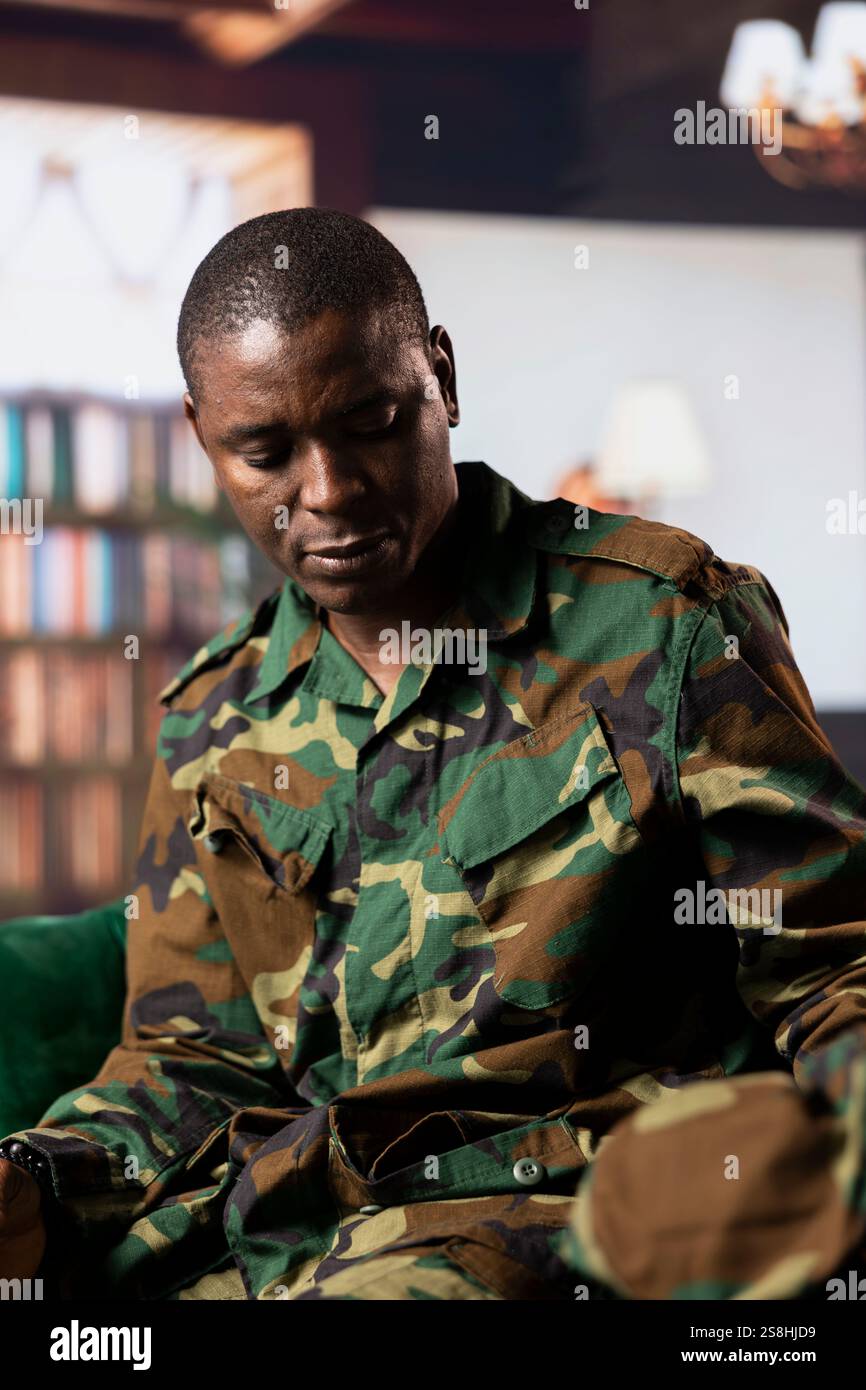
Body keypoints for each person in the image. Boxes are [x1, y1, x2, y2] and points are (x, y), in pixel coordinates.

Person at [1, 207, 865, 1302]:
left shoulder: (667, 622)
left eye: (370, 421)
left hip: (567, 1202)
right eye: (264, 451)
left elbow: (834, 965)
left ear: (441, 378)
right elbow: (191, 1060)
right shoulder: (210, 717)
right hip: (285, 1216)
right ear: (203, 438)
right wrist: (37, 1176)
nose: (325, 490)